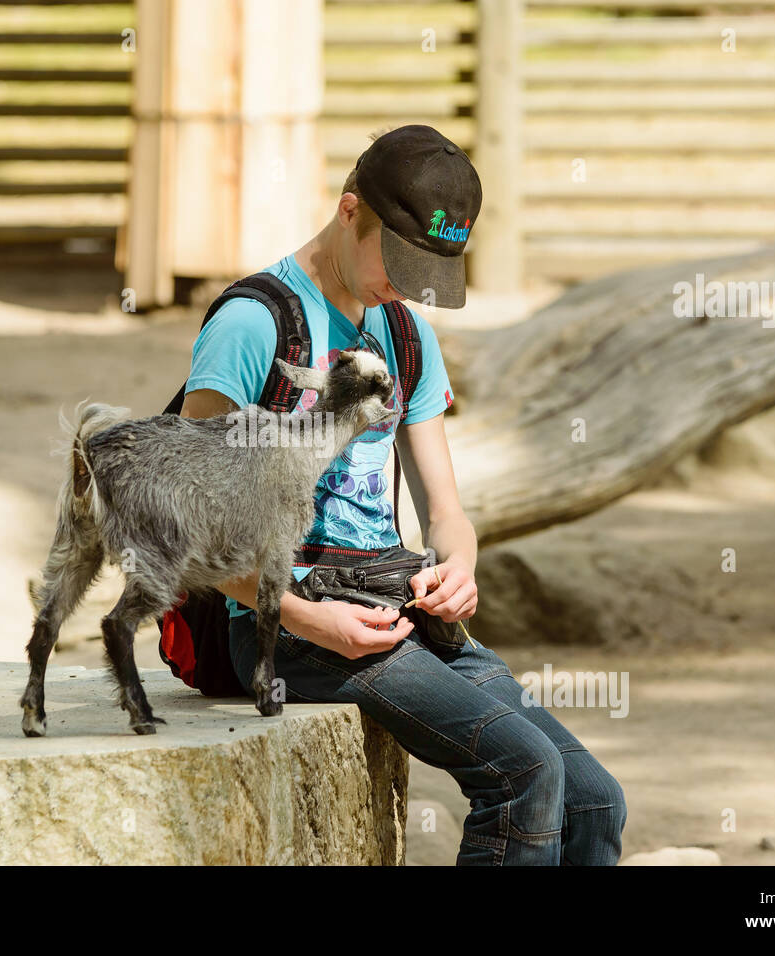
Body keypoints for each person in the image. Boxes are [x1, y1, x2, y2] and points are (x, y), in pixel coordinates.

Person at [178, 125, 626, 866]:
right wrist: (311, 621)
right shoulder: (254, 324)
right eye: (401, 261)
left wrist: (460, 566)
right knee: (522, 775)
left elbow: (446, 512)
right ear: (351, 210)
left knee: (595, 799)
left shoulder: (406, 335)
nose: (410, 287)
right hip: (290, 623)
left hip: (392, 599)